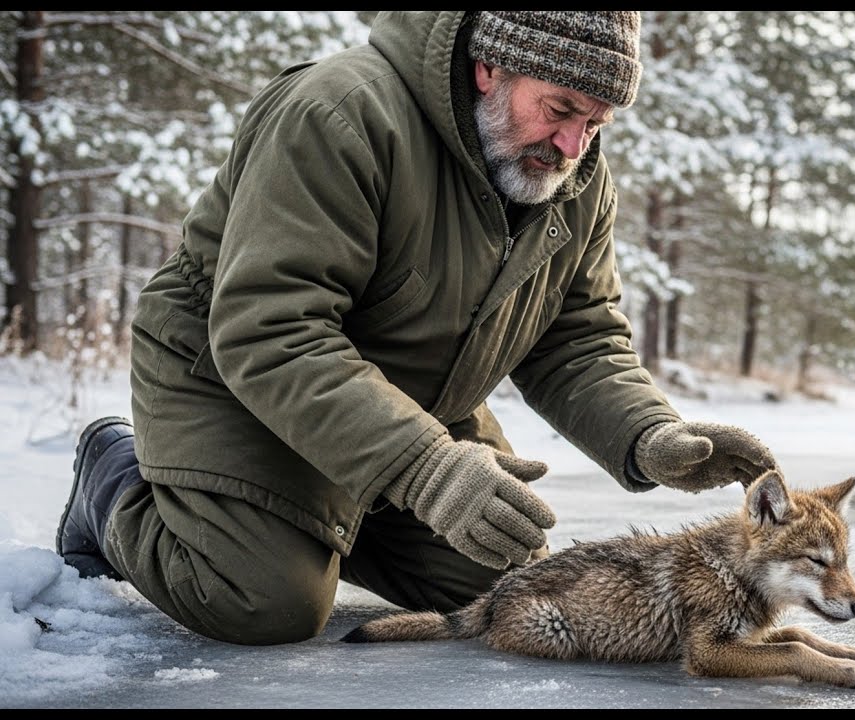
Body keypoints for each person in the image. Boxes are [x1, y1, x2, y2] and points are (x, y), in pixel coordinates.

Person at [55, 11, 779, 646]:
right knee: (263, 601)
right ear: (489, 66)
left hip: (405, 410)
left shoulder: (576, 182)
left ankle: (341, 512)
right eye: (559, 109)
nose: (570, 146)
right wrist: (425, 469)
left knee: (507, 583)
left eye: (594, 124)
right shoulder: (339, 114)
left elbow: (578, 336)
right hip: (233, 383)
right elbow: (270, 329)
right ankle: (111, 476)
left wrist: (651, 438)